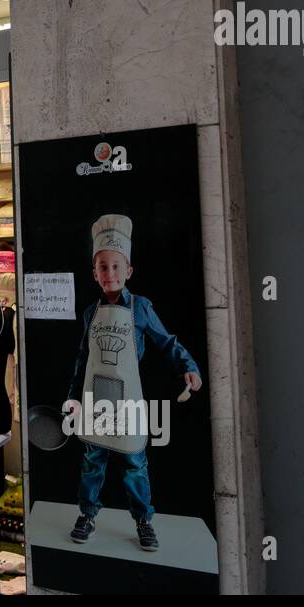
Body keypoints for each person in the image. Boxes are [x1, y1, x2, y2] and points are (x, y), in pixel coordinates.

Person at [64, 214, 202, 551]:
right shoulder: (89, 313)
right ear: (94, 272)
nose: (109, 273)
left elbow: (166, 341)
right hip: (96, 396)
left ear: (128, 271)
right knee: (92, 462)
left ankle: (143, 521)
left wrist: (189, 366)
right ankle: (87, 515)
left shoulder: (141, 308)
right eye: (102, 267)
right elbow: (83, 359)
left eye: (115, 267)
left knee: (134, 464)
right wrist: (72, 397)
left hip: (128, 398)